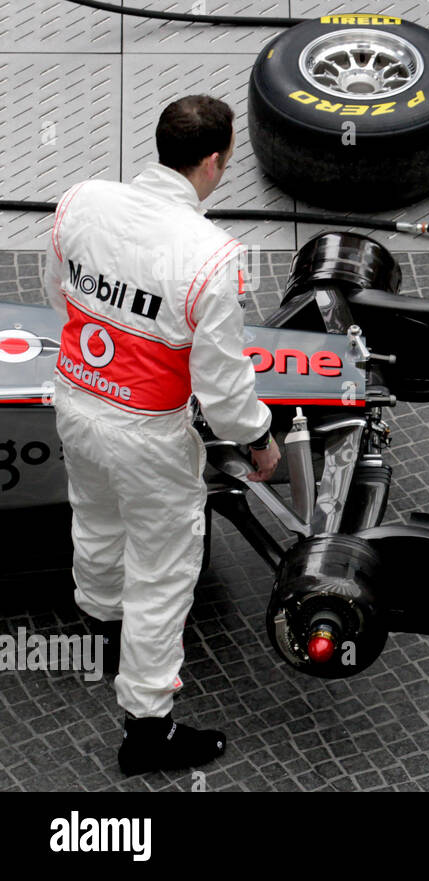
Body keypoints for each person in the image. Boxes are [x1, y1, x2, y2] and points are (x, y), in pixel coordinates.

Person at [43, 95, 281, 775]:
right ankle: (147, 729)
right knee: (164, 569)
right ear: (214, 160)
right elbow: (223, 387)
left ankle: (102, 621)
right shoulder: (211, 257)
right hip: (147, 434)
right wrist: (260, 440)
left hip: (76, 400)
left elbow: (58, 294)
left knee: (94, 515)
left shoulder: (83, 200)